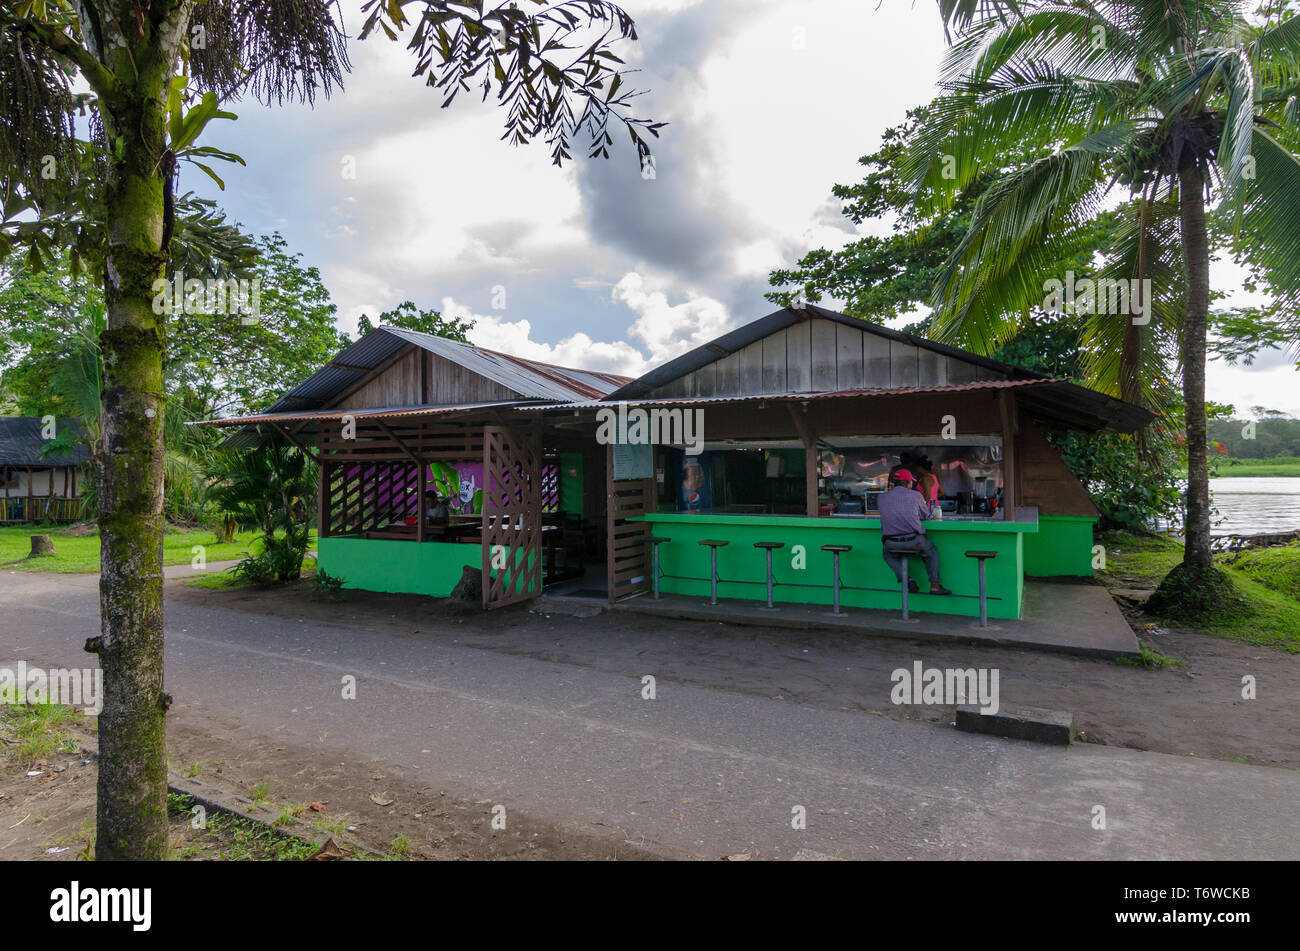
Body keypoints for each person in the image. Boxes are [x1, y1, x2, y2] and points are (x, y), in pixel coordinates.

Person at [877, 468, 951, 595]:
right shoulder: (916, 495)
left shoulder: (881, 497)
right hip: (915, 542)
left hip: (891, 543)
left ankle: (907, 580)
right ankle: (935, 586)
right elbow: (926, 516)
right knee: (931, 551)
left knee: (887, 555)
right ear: (908, 483)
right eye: (911, 482)